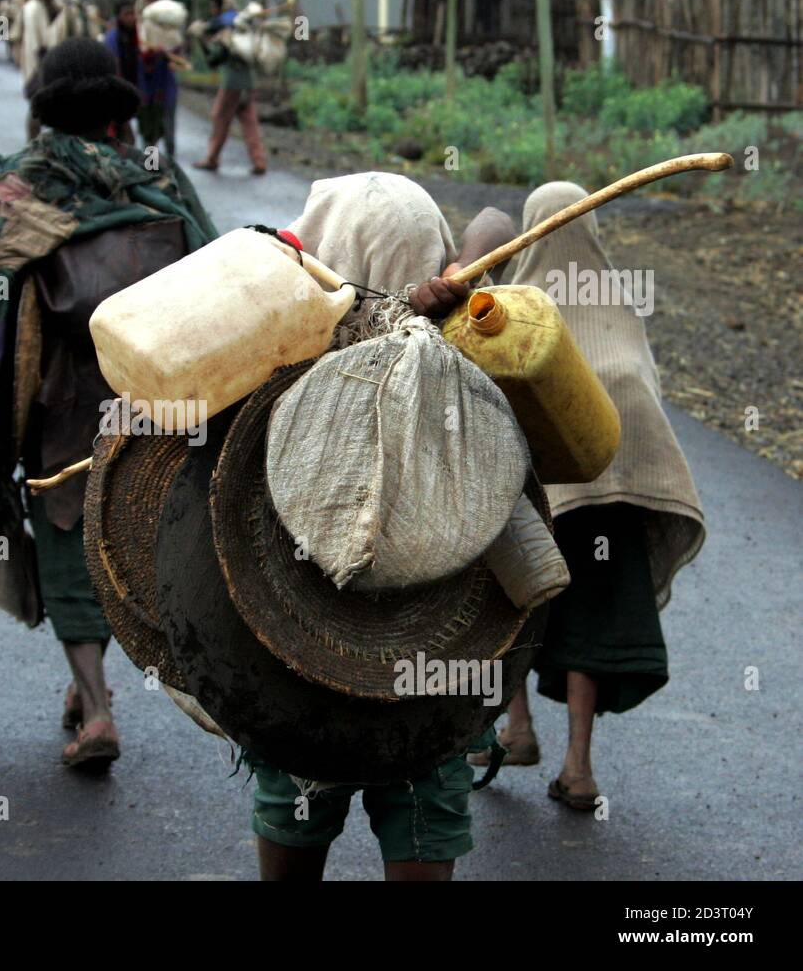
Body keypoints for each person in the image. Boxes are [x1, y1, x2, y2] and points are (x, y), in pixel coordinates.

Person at [240, 172, 516, 880]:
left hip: (299, 658)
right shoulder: (462, 353)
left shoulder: (270, 350)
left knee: (297, 815)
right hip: (435, 661)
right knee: (423, 813)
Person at [0, 38, 216, 768]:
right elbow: (219, 275)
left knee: (68, 539)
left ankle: (96, 708)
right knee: (122, 538)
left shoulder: (24, 186)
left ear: (45, 109)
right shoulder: (154, 176)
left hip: (61, 402)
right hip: (148, 400)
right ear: (114, 110)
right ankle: (91, 689)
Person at [465, 183, 705, 811]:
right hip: (616, 508)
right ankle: (579, 768)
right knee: (594, 621)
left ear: (535, 231)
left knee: (514, 600)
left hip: (546, 505)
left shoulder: (522, 311)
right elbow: (643, 396)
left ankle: (513, 732)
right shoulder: (618, 304)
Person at [192, 0, 266, 175]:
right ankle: (259, 160)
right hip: (248, 83)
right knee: (249, 122)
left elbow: (214, 60)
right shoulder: (242, 24)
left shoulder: (226, 27)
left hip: (232, 83)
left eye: (213, 6)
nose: (212, 10)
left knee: (220, 118)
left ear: (218, 7)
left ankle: (212, 158)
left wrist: (201, 36)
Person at [132, 0, 184, 160]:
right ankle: (150, 168)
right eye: (146, 0)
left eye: (152, 0)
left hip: (165, 81)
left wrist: (166, 52)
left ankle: (171, 164)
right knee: (149, 129)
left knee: (168, 123)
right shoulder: (137, 25)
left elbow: (176, 47)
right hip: (146, 83)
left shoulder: (167, 26)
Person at [103, 0, 139, 143]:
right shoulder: (113, 37)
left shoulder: (138, 35)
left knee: (150, 136)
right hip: (120, 93)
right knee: (125, 137)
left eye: (133, 13)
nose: (131, 17)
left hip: (140, 92)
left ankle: (151, 165)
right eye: (127, 14)